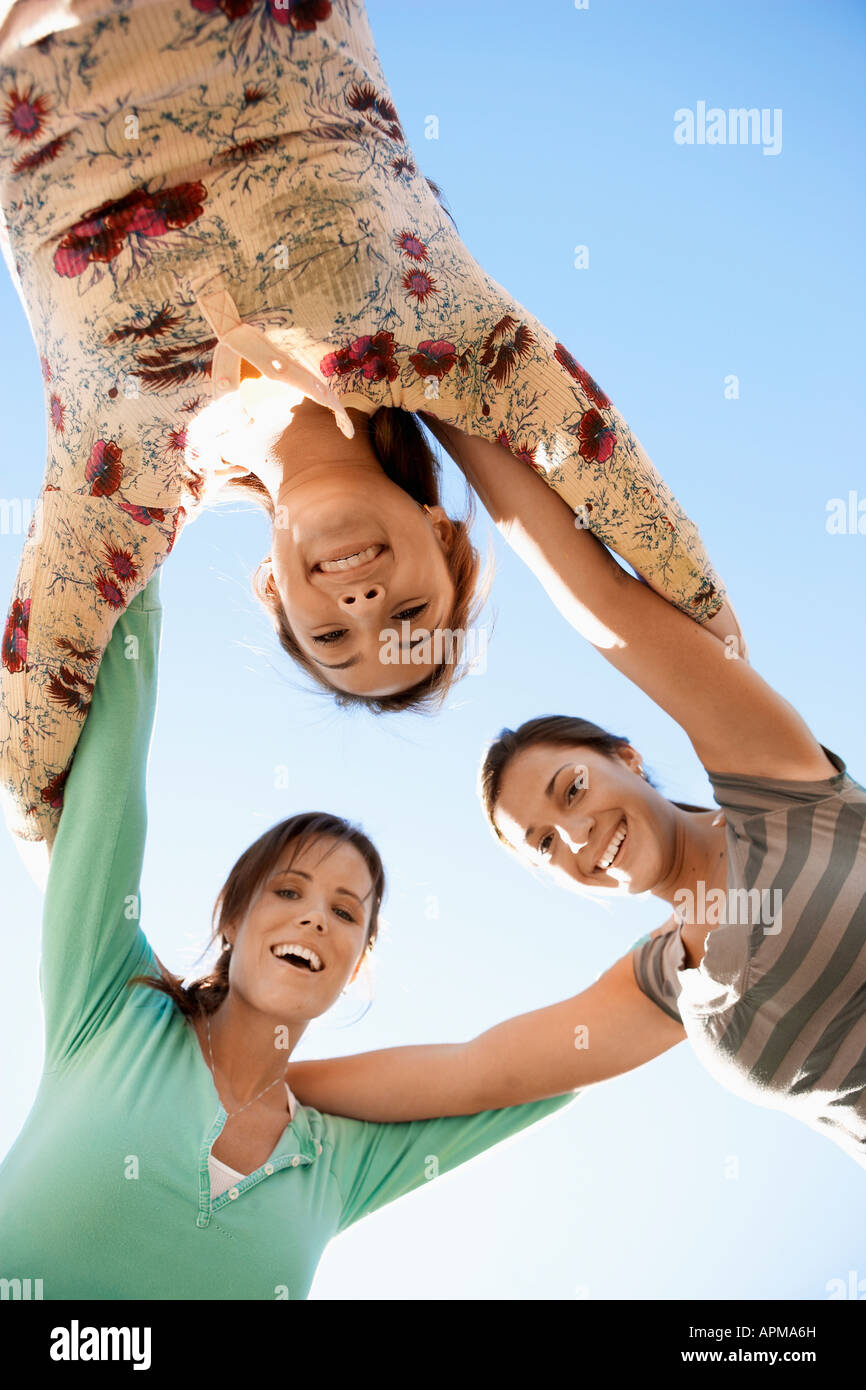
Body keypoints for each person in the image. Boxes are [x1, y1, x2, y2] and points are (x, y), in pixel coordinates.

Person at [0, 0, 741, 858]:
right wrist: (727, 673)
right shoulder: (444, 341)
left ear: (273, 593)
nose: (360, 604)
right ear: (440, 529)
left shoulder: (125, 489)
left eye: (332, 636)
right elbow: (620, 491)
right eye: (410, 612)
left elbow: (25, 769)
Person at [282, 434, 866, 1169]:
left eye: (573, 789)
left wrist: (449, 400)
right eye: (546, 846)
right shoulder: (668, 985)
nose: (577, 834)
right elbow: (475, 1072)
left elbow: (604, 602)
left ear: (627, 757)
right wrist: (245, 1076)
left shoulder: (778, 792)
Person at [0, 572, 575, 1300]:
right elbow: (114, 795)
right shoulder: (112, 1006)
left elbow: (546, 1071)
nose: (314, 918)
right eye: (290, 890)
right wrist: (141, 558)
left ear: (355, 967)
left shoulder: (342, 1159)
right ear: (232, 920)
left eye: (345, 912)